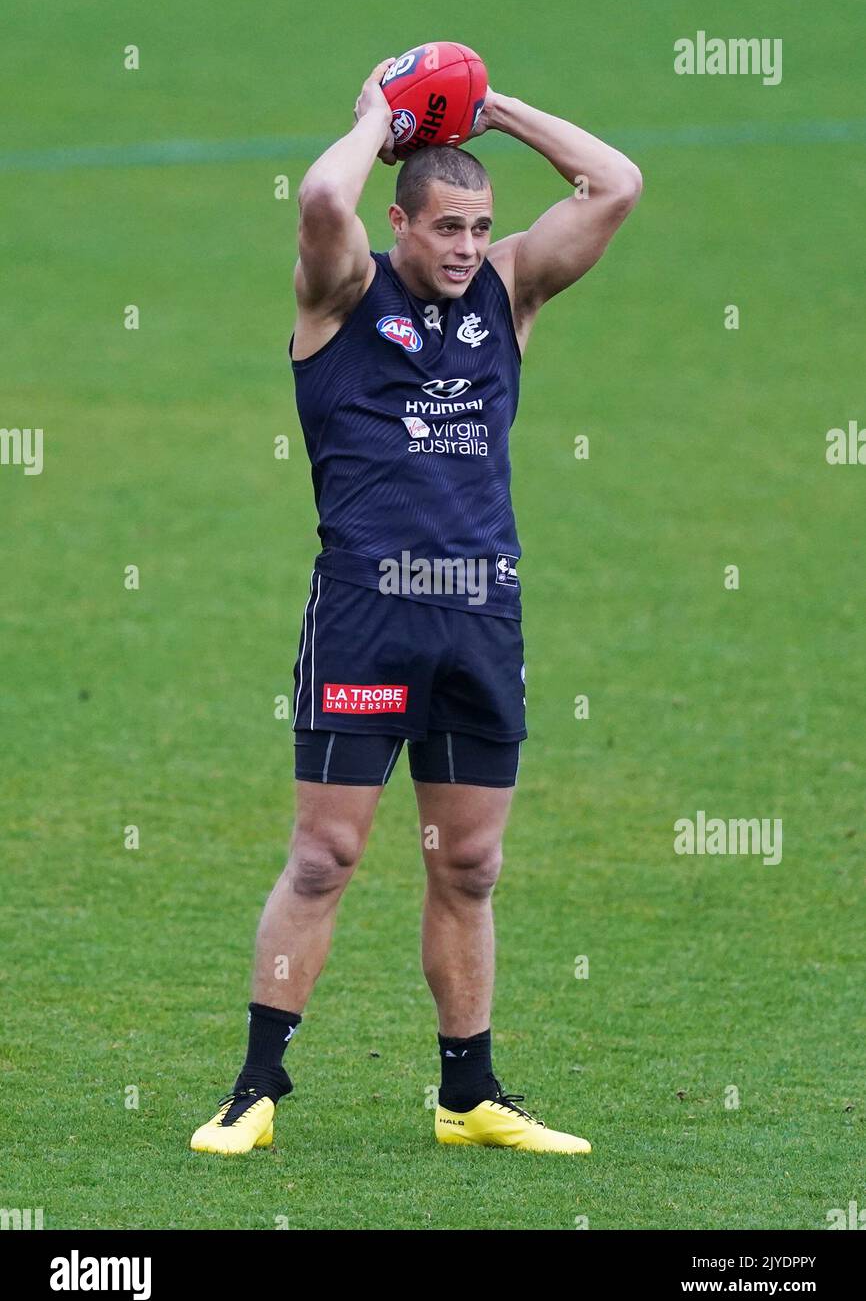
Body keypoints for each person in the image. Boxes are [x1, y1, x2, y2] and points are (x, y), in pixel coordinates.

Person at [191, 56, 641, 1155]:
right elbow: (317, 201)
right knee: (324, 855)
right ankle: (255, 1087)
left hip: (479, 614)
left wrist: (494, 110)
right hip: (364, 612)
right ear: (399, 221)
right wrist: (374, 118)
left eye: (480, 226)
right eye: (445, 226)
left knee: (471, 864)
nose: (466, 246)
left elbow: (614, 183)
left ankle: (467, 1096)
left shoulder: (510, 291)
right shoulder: (340, 292)